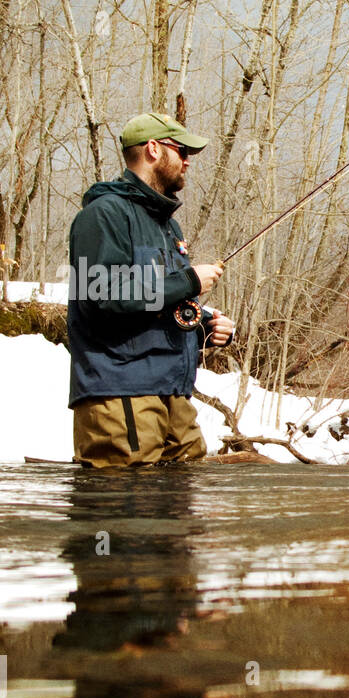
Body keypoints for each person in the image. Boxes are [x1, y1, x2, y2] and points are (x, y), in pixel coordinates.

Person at [67, 112, 236, 466]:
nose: (188, 161)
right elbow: (101, 295)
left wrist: (205, 324)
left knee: (181, 506)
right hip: (120, 391)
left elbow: (161, 303)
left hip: (172, 391)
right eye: (182, 151)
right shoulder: (102, 215)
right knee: (128, 509)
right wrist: (189, 280)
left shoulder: (167, 227)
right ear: (154, 150)